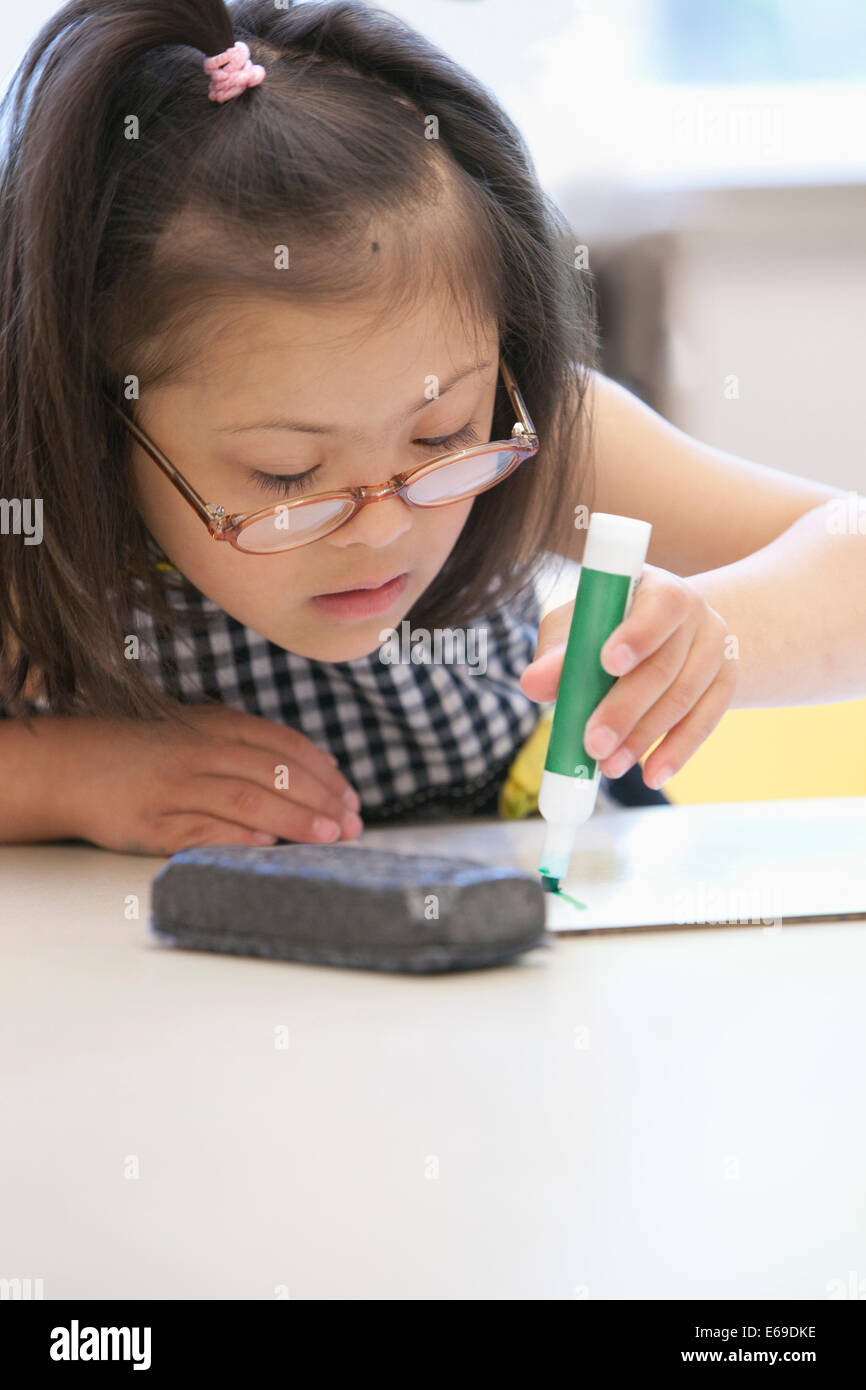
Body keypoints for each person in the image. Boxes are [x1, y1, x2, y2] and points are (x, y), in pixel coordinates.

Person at [0, 0, 862, 856]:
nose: (381, 525)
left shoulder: (532, 437)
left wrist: (713, 631)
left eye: (440, 434)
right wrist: (67, 778)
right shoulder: (41, 518)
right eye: (288, 474)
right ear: (100, 414)